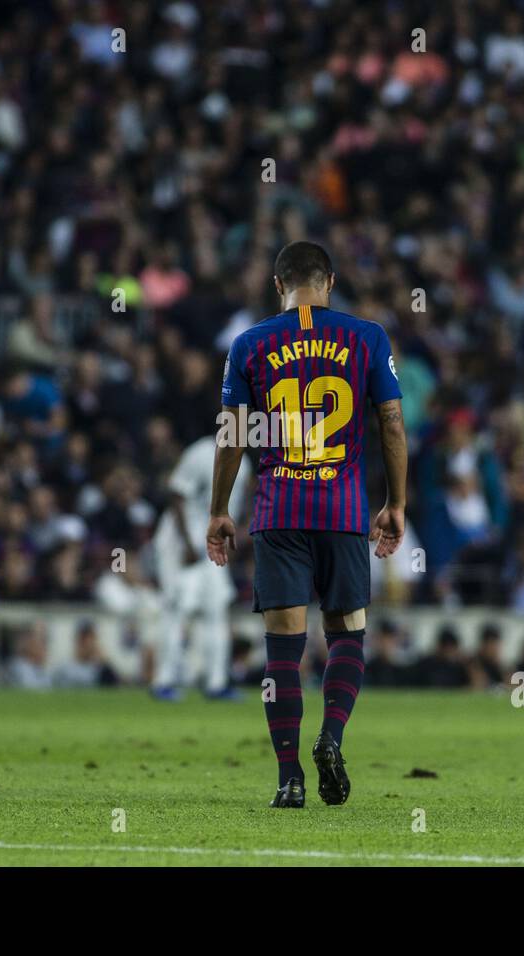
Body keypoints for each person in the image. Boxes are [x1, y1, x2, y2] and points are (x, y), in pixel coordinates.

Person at [206, 240, 406, 809]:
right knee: (347, 635)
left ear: (278, 285)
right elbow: (391, 425)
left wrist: (220, 509)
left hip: (278, 511)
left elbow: (232, 436)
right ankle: (332, 737)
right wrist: (396, 501)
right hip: (342, 511)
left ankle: (289, 778)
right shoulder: (368, 337)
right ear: (330, 281)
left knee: (281, 653)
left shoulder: (249, 344)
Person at [151, 435, 250, 701]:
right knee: (177, 609)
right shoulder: (201, 452)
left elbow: (234, 510)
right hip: (180, 544)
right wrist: (186, 544)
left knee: (216, 610)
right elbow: (177, 496)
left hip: (212, 543)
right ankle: (164, 681)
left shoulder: (245, 461)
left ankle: (216, 683)